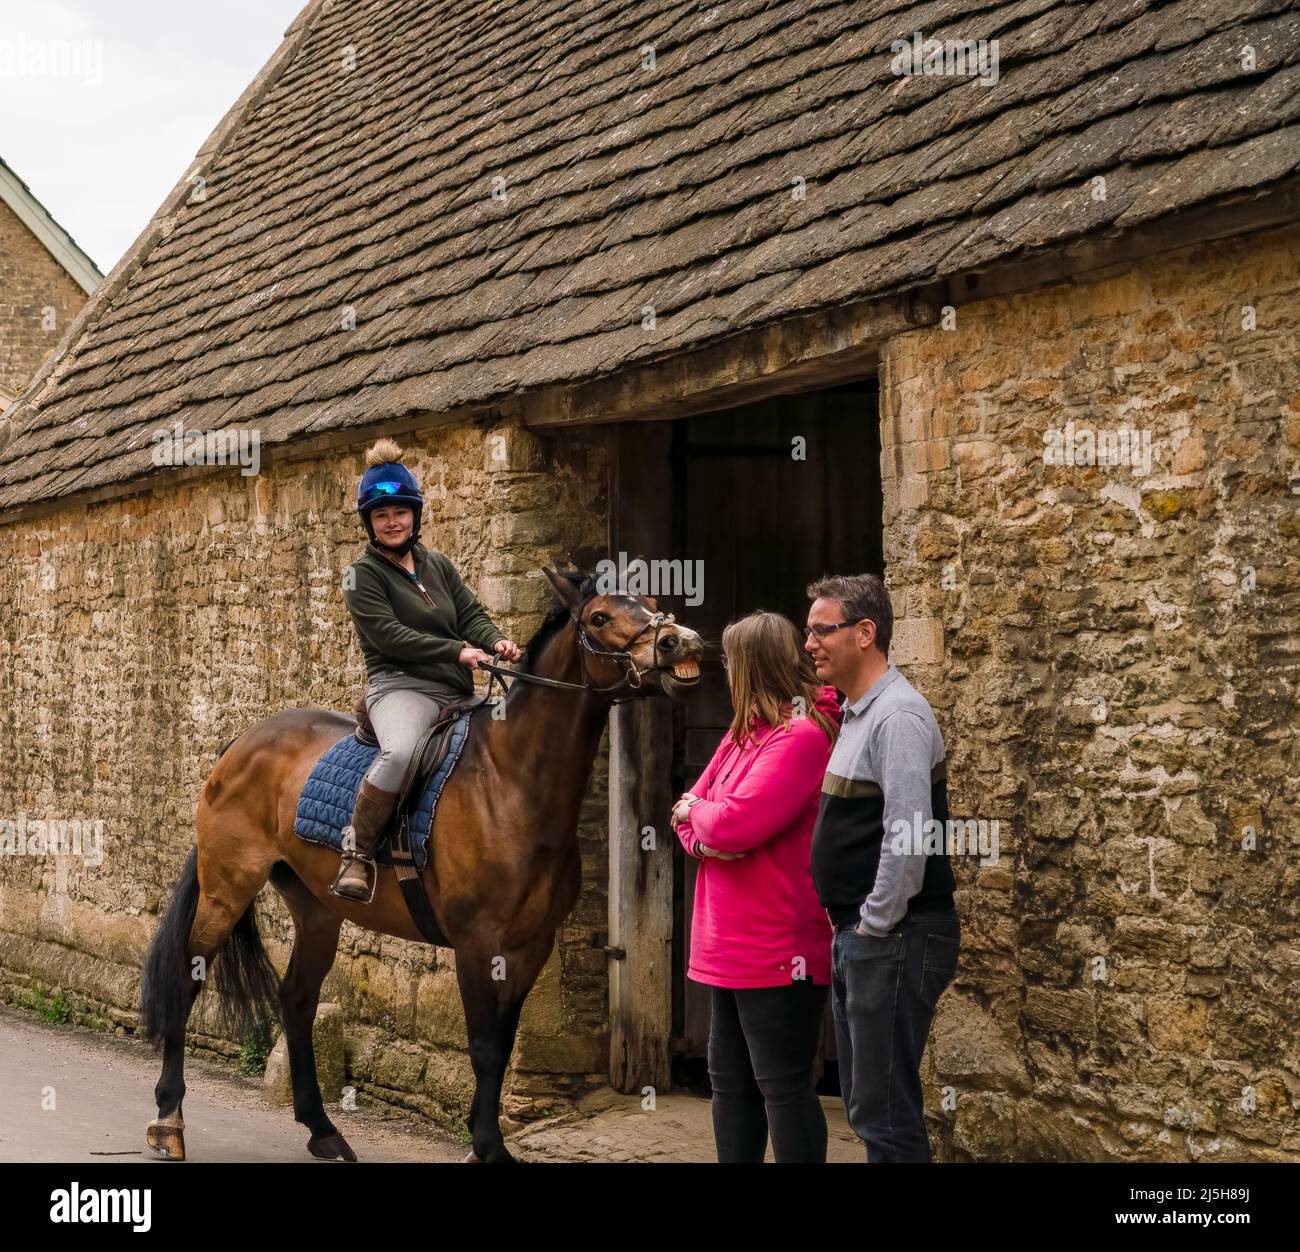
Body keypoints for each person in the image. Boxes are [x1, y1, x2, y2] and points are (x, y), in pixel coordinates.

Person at [672, 611, 841, 1162]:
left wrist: (707, 822)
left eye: (730, 664)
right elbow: (688, 813)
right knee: (729, 1081)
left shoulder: (802, 737)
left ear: (748, 667)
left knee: (783, 1086)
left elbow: (734, 824)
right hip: (726, 942)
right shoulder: (744, 733)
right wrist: (706, 834)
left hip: (777, 943)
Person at [805, 573, 960, 1162]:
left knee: (885, 1116)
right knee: (872, 1110)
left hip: (896, 936)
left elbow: (907, 839)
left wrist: (872, 925)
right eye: (809, 630)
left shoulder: (897, 717)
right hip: (869, 936)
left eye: (824, 630)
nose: (810, 643)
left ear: (865, 633)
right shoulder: (860, 713)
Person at [332, 437, 521, 903]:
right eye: (381, 515)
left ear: (415, 515)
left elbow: (470, 612)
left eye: (400, 512)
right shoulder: (362, 575)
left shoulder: (437, 564)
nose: (392, 522)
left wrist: (493, 639)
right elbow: (389, 636)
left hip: (455, 691)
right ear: (370, 523)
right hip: (400, 688)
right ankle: (356, 854)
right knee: (399, 753)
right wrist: (456, 651)